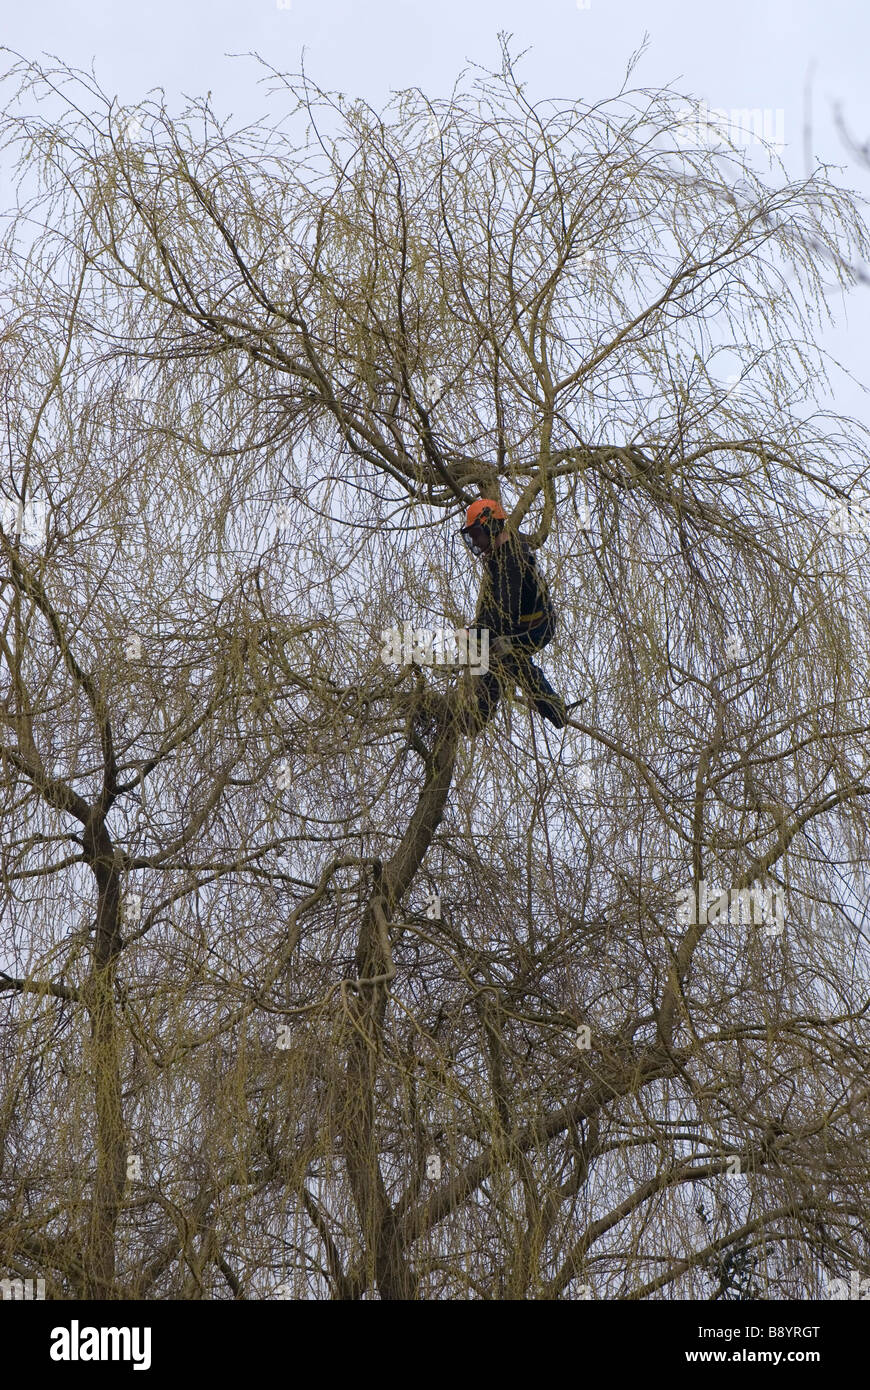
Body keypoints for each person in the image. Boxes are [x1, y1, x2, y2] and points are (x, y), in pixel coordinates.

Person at [457, 498, 571, 731]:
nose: (476, 540)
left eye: (477, 533)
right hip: (521, 624)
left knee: (504, 654)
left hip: (537, 626)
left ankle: (480, 716)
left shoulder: (512, 559)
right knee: (502, 652)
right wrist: (476, 630)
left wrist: (475, 633)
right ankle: (552, 707)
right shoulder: (499, 557)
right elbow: (491, 608)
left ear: (490, 525)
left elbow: (503, 614)